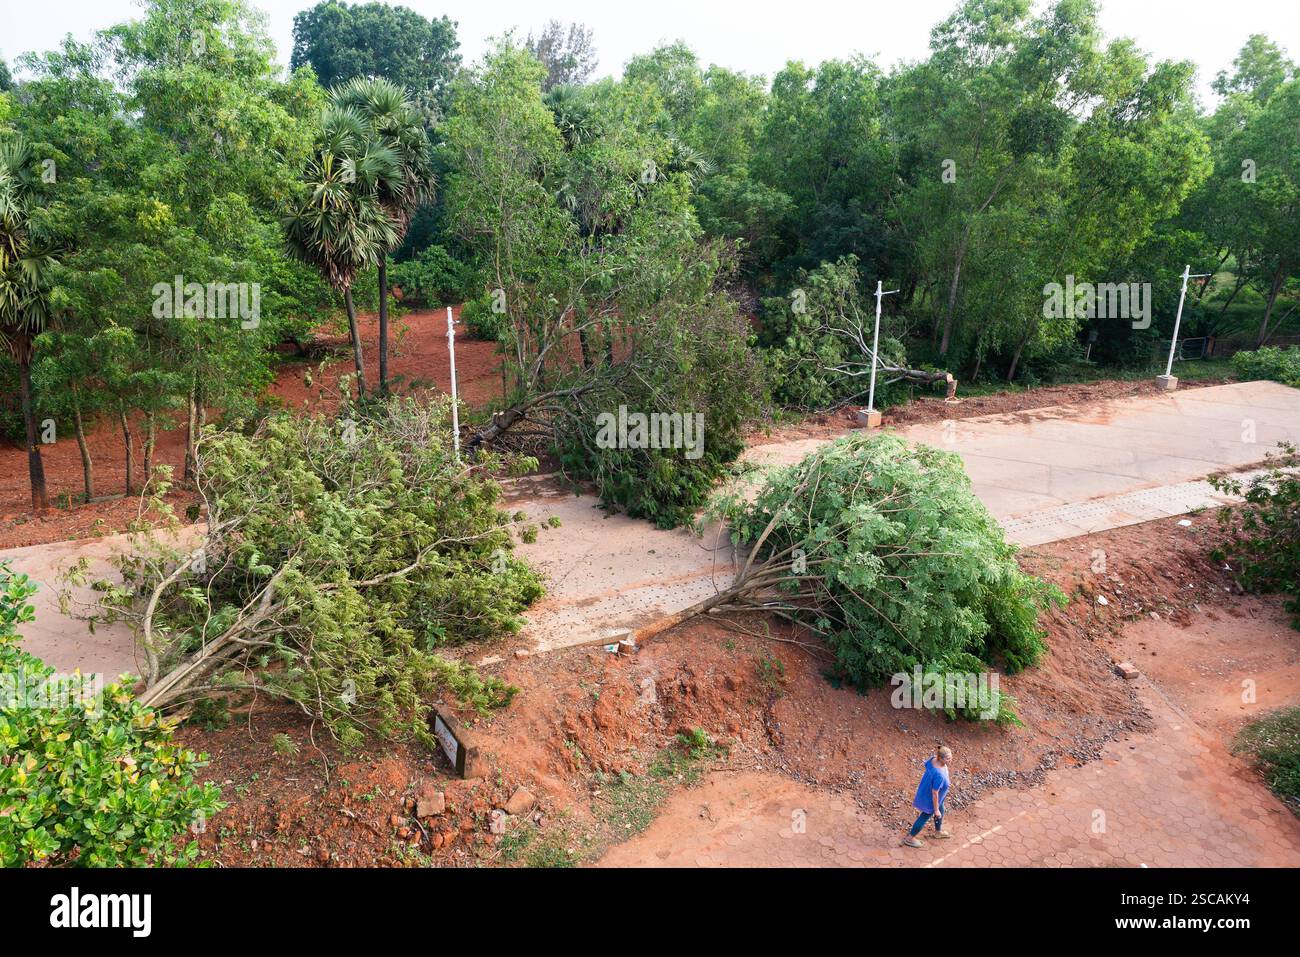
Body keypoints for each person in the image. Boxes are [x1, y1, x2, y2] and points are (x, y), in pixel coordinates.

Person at [902, 745, 953, 847]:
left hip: (925, 791)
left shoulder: (933, 759)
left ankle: (938, 832)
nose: (950, 760)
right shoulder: (940, 775)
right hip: (930, 799)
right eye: (948, 758)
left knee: (941, 809)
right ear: (941, 758)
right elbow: (935, 793)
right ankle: (909, 838)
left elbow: (926, 765)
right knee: (925, 817)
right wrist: (935, 809)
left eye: (951, 757)